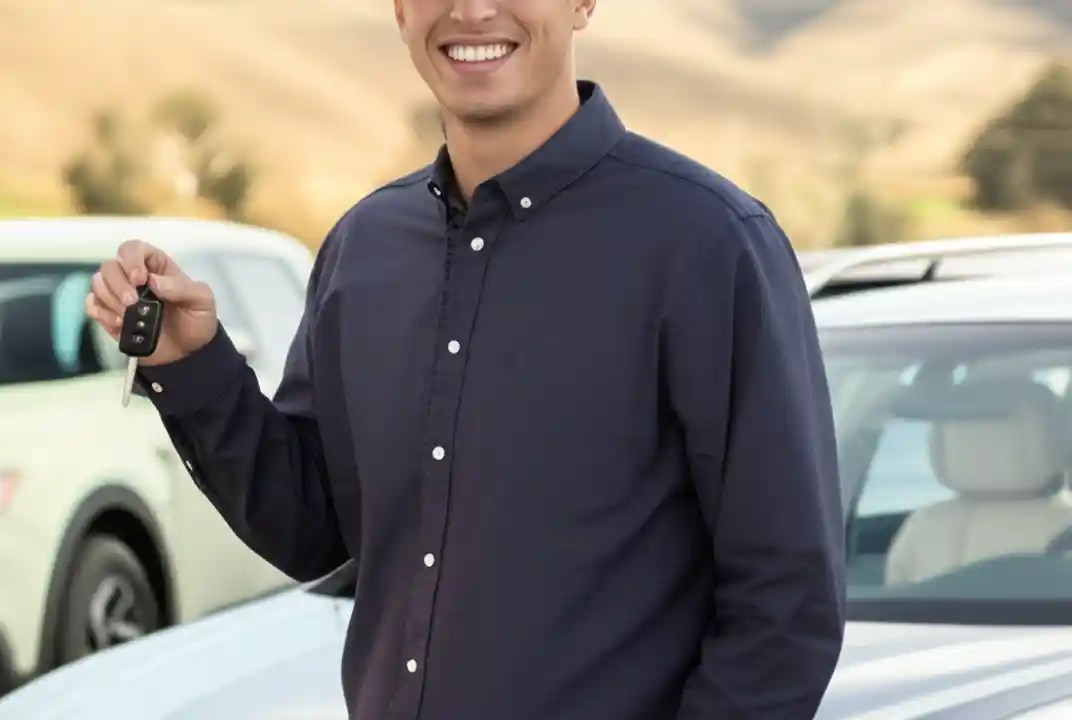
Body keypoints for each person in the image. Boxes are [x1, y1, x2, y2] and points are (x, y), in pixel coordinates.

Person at [85, 0, 846, 717]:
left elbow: (785, 604)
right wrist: (194, 367)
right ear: (398, 10)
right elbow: (311, 528)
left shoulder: (707, 243)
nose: (473, 10)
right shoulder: (364, 249)